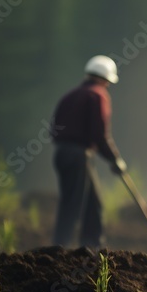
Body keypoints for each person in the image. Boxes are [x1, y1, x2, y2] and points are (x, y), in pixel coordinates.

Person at [51, 55, 128, 248]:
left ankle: (92, 247)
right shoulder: (98, 95)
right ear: (104, 79)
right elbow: (100, 134)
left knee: (93, 203)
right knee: (72, 204)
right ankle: (59, 248)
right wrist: (114, 159)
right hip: (78, 155)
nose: (108, 85)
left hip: (62, 153)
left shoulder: (71, 95)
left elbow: (54, 128)